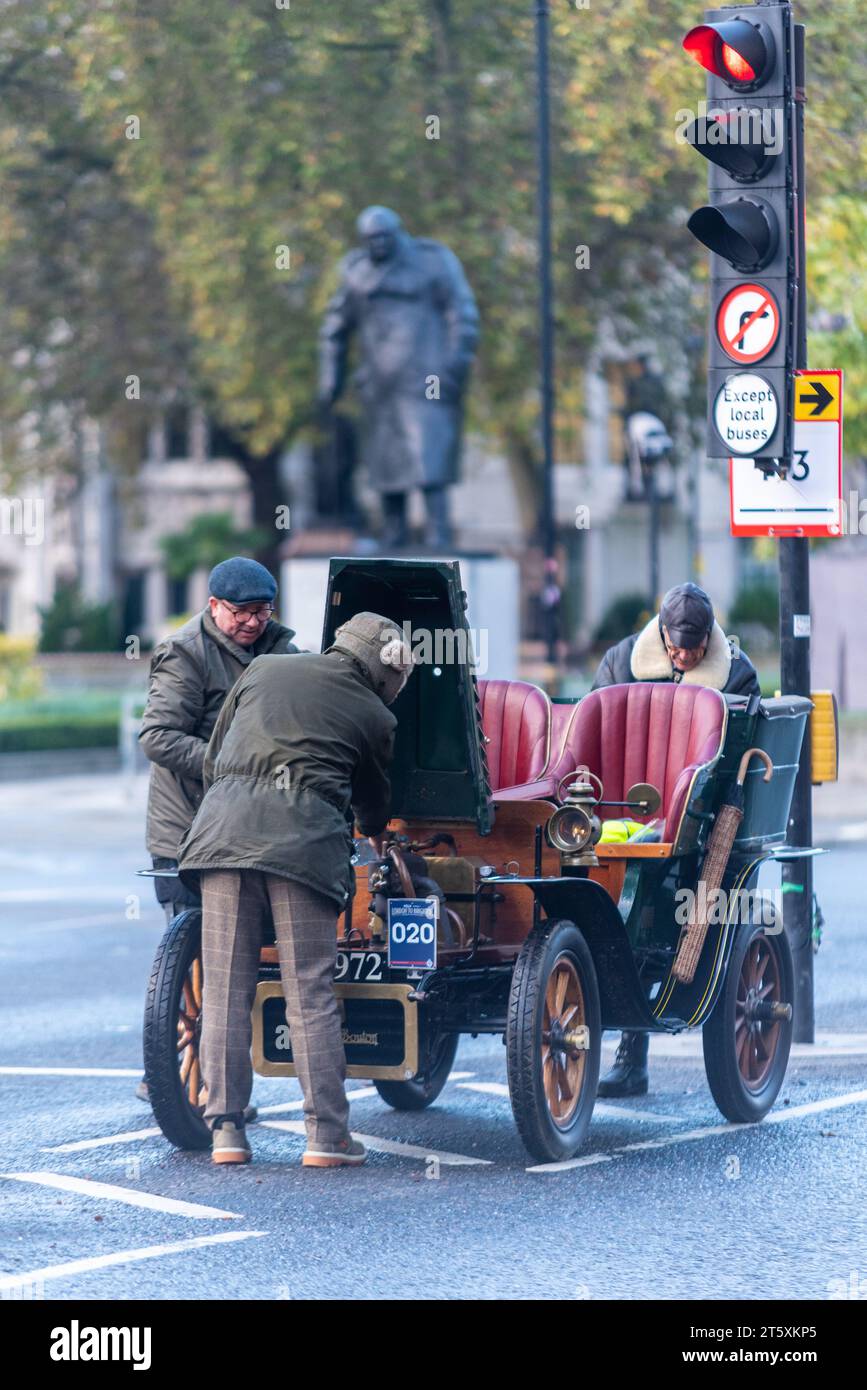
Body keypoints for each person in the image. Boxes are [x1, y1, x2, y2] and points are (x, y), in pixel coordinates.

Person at [178, 612, 416, 1168]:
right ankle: (327, 1137)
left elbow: (214, 759)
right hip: (303, 852)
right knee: (308, 993)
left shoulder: (263, 668)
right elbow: (374, 807)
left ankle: (227, 1134)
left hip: (222, 838)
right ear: (386, 675)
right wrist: (379, 836)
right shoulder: (374, 714)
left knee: (226, 990)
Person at [137, 557, 298, 1106]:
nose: (253, 622)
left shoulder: (280, 650)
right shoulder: (185, 653)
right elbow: (157, 736)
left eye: (262, 611)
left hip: (251, 830)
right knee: (198, 963)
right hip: (187, 832)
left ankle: (201, 1072)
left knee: (244, 955)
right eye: (241, 613)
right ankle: (185, 1076)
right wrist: (227, 763)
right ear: (213, 607)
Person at [591, 582, 761, 1098]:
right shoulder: (621, 660)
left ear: (708, 639)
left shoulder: (739, 671)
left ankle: (631, 1052)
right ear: (661, 634)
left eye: (692, 648)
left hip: (703, 811)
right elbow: (596, 731)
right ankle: (630, 1056)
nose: (683, 655)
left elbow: (737, 752)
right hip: (629, 802)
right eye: (674, 646)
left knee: (649, 908)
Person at [318, 205, 479, 550]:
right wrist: (331, 378)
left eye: (384, 237)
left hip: (427, 378)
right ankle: (394, 537)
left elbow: (462, 312)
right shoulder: (357, 272)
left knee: (430, 459)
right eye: (370, 239)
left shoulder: (434, 260)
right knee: (385, 465)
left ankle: (439, 535)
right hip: (380, 385)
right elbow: (335, 328)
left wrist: (455, 366)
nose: (378, 245)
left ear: (398, 232)